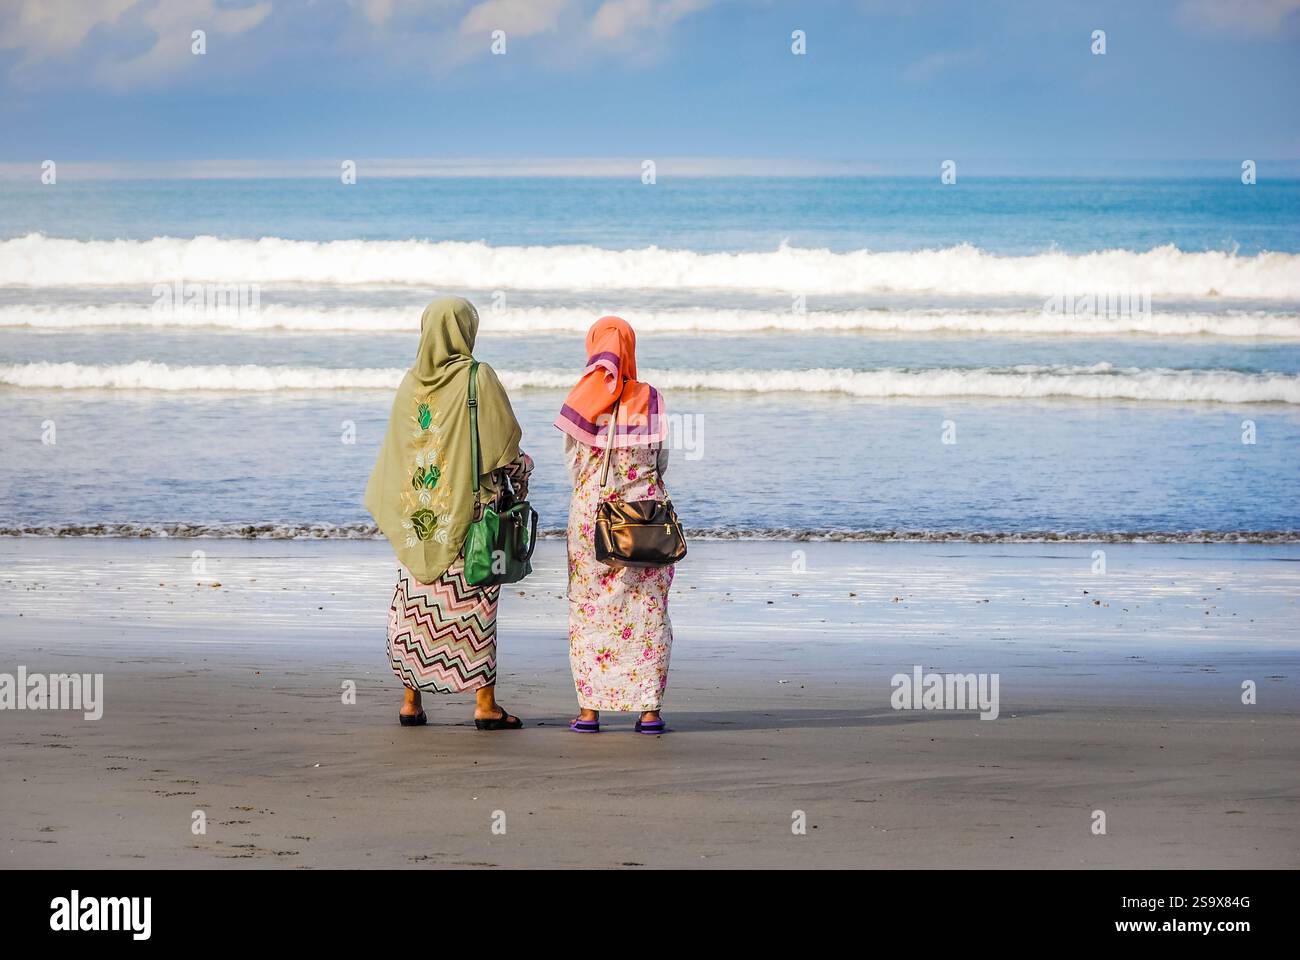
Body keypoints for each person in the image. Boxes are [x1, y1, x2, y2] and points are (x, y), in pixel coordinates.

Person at [366, 297, 532, 730]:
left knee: (416, 605)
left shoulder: (409, 385)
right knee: (475, 608)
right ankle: (484, 705)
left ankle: (410, 701)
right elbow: (502, 449)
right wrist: (523, 466)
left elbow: (403, 453)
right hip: (470, 517)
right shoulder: (478, 377)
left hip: (419, 520)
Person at [556, 316, 675, 734]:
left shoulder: (579, 398)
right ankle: (648, 712)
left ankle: (590, 712)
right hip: (644, 519)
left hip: (591, 518)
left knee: (589, 610)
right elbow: (660, 461)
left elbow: (573, 464)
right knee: (647, 610)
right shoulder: (651, 397)